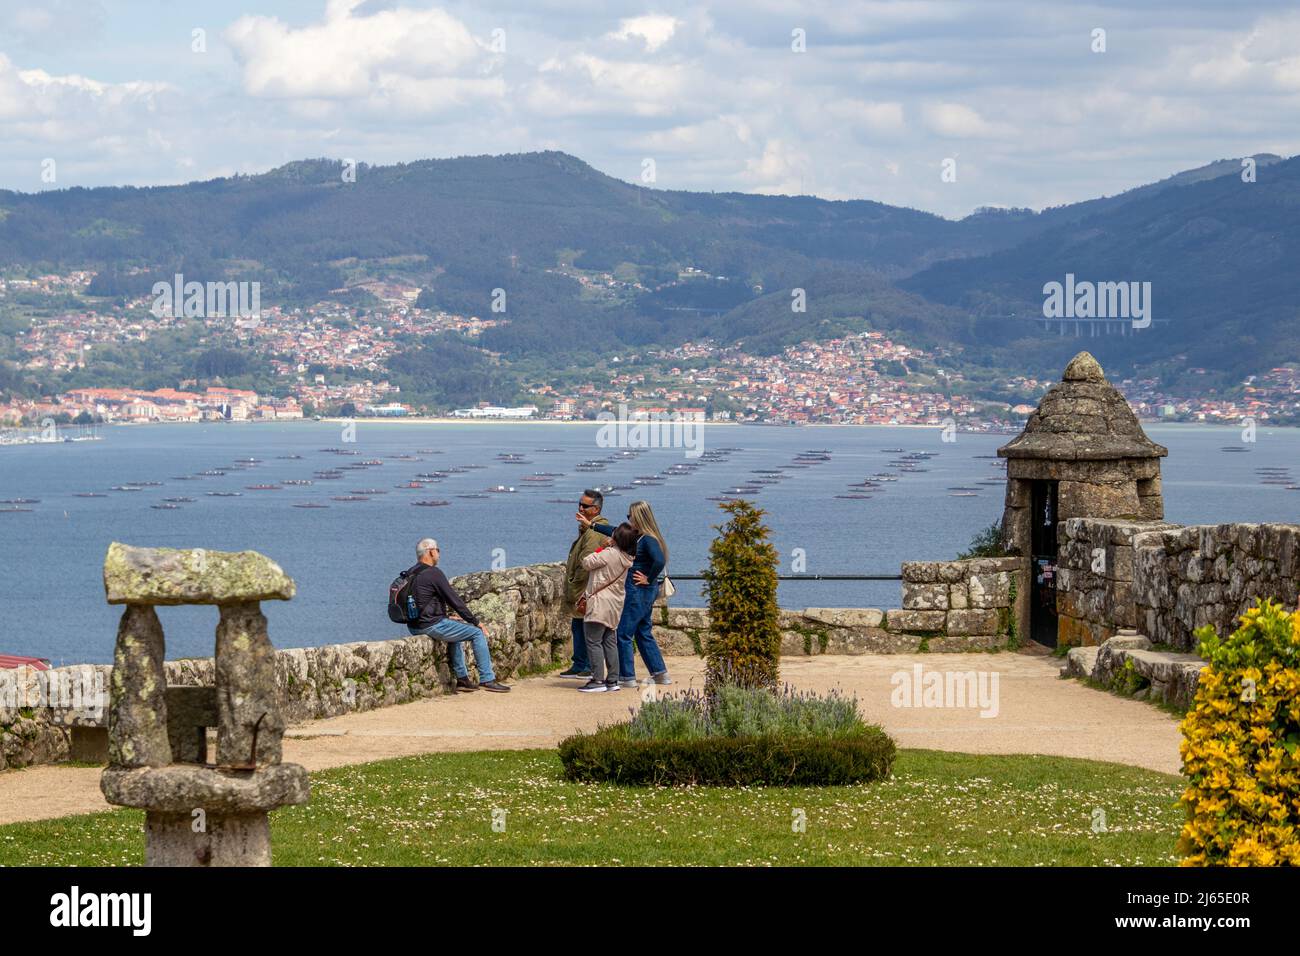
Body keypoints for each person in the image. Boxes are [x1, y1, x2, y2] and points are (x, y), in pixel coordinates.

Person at [577, 499, 672, 688]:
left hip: (638, 590)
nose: (628, 520)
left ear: (638, 517)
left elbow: (659, 560)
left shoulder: (647, 539)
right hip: (644, 592)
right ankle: (660, 673)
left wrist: (648, 578)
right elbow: (616, 532)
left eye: (630, 516)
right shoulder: (638, 536)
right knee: (643, 631)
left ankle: (626, 676)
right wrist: (592, 525)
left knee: (623, 632)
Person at [405, 537, 510, 693]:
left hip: (414, 626)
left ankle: (462, 680)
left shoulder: (410, 572)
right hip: (431, 625)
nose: (439, 554)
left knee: (455, 634)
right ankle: (488, 678)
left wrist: (445, 617)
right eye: (438, 550)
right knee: (476, 634)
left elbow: (423, 601)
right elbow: (455, 601)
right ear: (431, 552)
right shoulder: (434, 573)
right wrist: (475, 622)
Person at [577, 522, 639, 693]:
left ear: (617, 539)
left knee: (593, 641)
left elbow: (586, 562)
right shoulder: (627, 558)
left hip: (599, 603)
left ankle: (597, 680)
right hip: (615, 604)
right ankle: (612, 680)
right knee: (610, 641)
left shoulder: (609, 554)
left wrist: (601, 547)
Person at [557, 490, 609, 679]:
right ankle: (579, 664)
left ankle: (586, 665)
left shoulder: (595, 531)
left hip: (585, 587)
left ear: (596, 509)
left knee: (586, 628)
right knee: (578, 626)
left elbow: (588, 559)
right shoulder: (589, 529)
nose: (580, 508)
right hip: (583, 586)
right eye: (579, 504)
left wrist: (574, 581)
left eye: (585, 506)